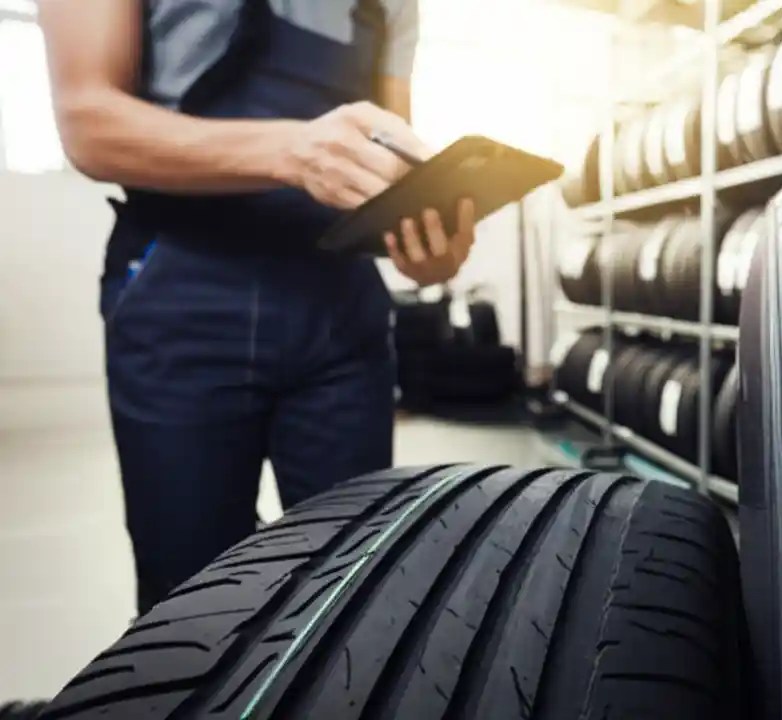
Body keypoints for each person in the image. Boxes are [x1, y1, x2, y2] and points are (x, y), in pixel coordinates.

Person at [39, 0, 473, 614]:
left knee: (353, 589)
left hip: (342, 315)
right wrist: (289, 152)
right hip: (182, 298)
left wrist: (424, 241)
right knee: (191, 602)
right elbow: (88, 121)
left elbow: (387, 158)